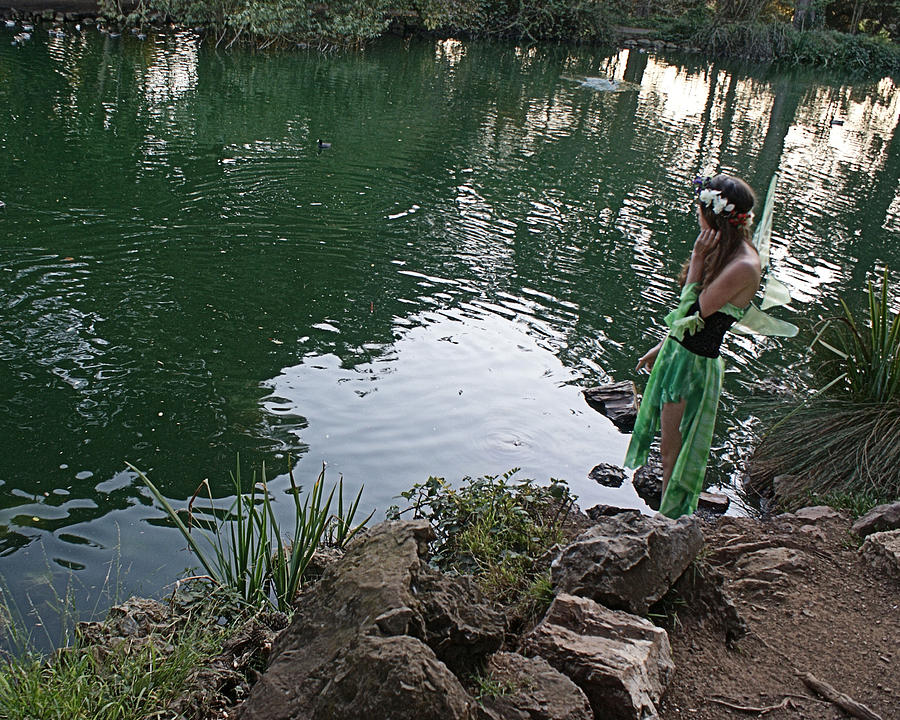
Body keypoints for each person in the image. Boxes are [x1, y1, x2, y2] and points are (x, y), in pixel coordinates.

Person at [624, 174, 762, 518]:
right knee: (669, 450)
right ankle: (670, 521)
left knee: (674, 455)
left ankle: (669, 524)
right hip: (680, 354)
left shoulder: (743, 264)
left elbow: (693, 311)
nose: (696, 215)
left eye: (699, 209)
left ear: (713, 215)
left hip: (694, 366)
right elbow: (688, 325)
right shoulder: (727, 248)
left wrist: (697, 258)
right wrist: (663, 346)